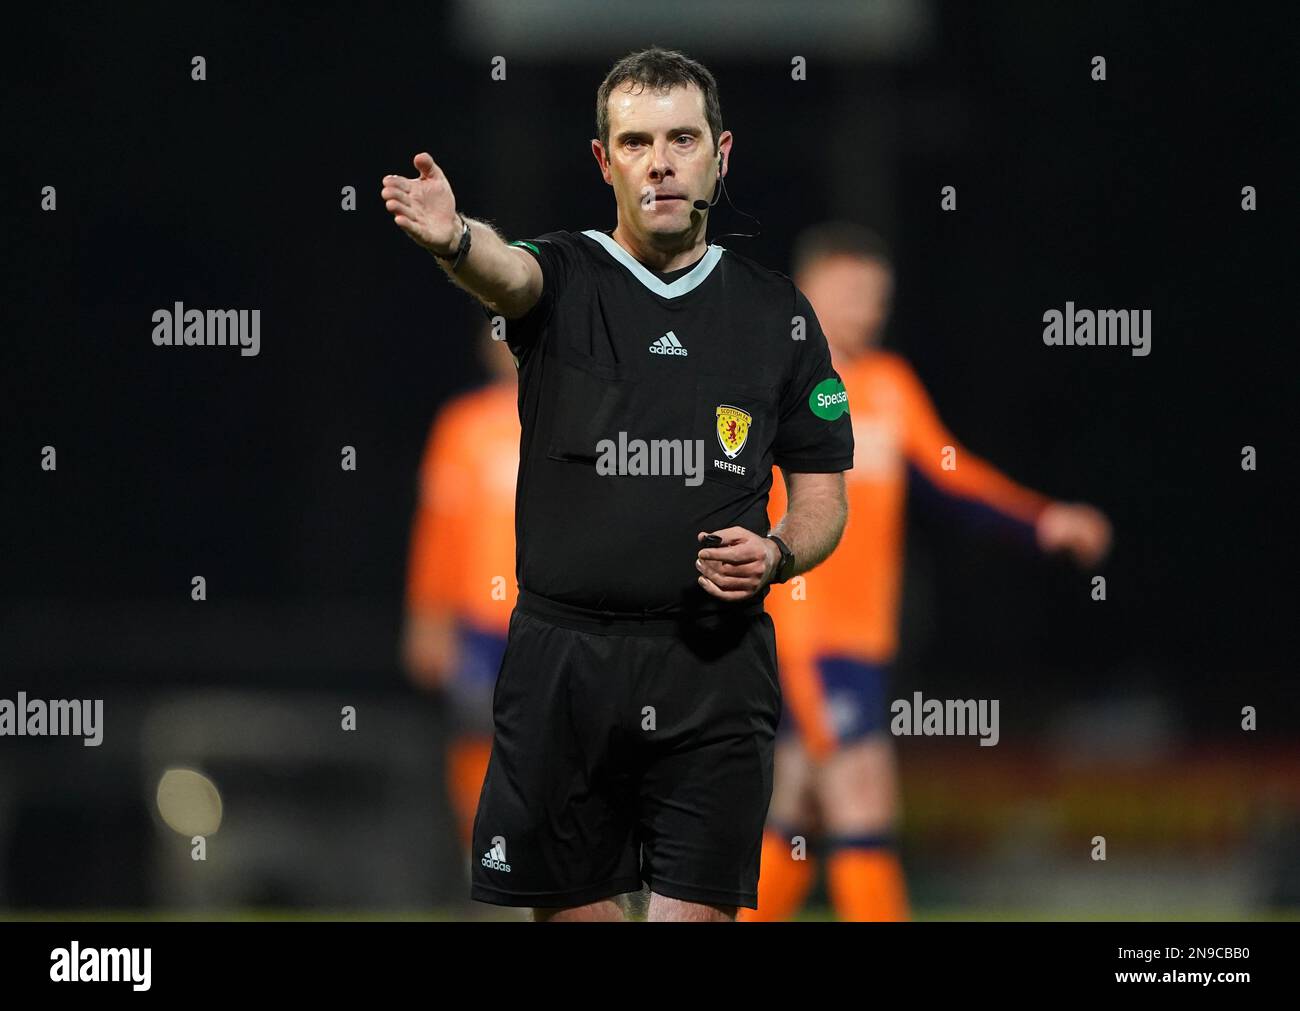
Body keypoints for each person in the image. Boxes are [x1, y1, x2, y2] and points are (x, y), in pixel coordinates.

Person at [381, 47, 855, 922]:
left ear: (721, 152)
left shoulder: (779, 314)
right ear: (605, 161)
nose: (662, 161)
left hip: (712, 667)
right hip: (564, 666)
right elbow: (504, 270)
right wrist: (454, 241)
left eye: (683, 138)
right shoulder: (562, 278)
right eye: (636, 141)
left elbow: (825, 497)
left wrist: (782, 551)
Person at [742, 222, 1112, 922]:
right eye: (849, 291)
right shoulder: (771, 379)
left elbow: (953, 477)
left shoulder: (887, 385)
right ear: (808, 289)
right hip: (802, 634)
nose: (865, 308)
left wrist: (1041, 520)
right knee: (864, 797)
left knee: (797, 810)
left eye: (876, 295)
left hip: (864, 639)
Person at [402, 323, 520, 867]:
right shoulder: (464, 426)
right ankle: (487, 862)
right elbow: (438, 529)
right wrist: (428, 618)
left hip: (557, 619)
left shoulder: (586, 417)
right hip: (481, 626)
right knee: (476, 740)